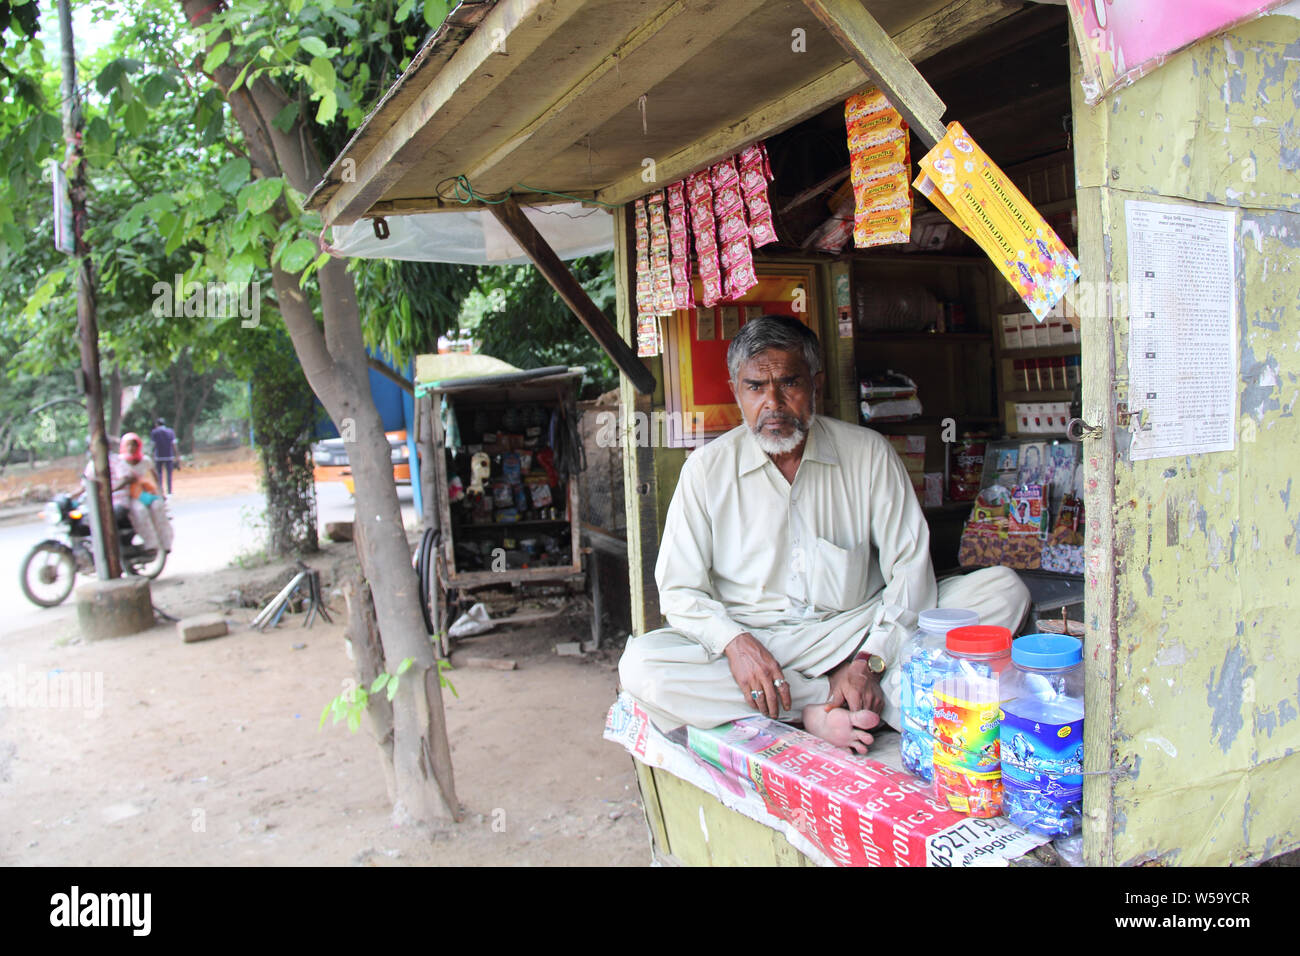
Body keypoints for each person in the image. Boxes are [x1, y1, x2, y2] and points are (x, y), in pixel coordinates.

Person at [618, 315, 1029, 754]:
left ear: (816, 383)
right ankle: (823, 703)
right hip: (761, 645)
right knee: (645, 667)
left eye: (788, 383)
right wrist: (736, 644)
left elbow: (910, 571)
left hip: (857, 629)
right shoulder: (705, 471)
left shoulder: (867, 453)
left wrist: (871, 659)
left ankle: (844, 695)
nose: (772, 403)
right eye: (756, 387)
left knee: (1002, 590)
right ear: (736, 389)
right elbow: (680, 590)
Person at [118, 433, 173, 553]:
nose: (131, 448)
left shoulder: (145, 460)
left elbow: (155, 477)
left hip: (147, 492)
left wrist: (161, 493)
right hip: (132, 496)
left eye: (134, 445)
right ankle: (151, 544)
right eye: (128, 445)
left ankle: (166, 543)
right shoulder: (120, 462)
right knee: (140, 512)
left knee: (158, 508)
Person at [150, 417, 177, 496]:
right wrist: (176, 455)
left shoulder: (154, 432)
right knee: (169, 473)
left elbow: (153, 445)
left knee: (159, 474)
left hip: (159, 456)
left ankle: (160, 490)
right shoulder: (170, 431)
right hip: (169, 455)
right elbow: (174, 444)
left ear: (157, 424)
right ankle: (169, 491)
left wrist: (151, 454)